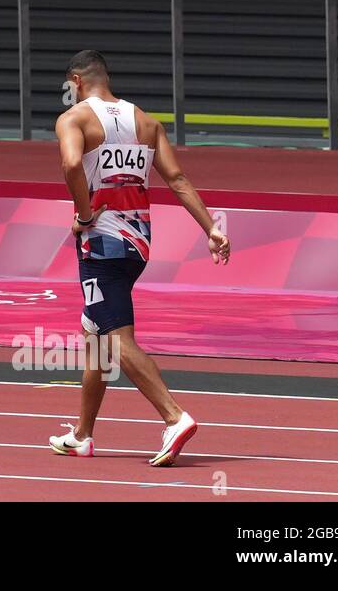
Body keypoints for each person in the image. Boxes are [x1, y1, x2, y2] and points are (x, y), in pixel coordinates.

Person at [47, 50, 230, 466]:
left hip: (102, 242)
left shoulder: (74, 119)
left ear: (76, 80)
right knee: (94, 332)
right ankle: (82, 435)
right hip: (139, 242)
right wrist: (212, 229)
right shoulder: (145, 121)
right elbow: (178, 179)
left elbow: (72, 162)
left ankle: (174, 417)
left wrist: (83, 213)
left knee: (116, 337)